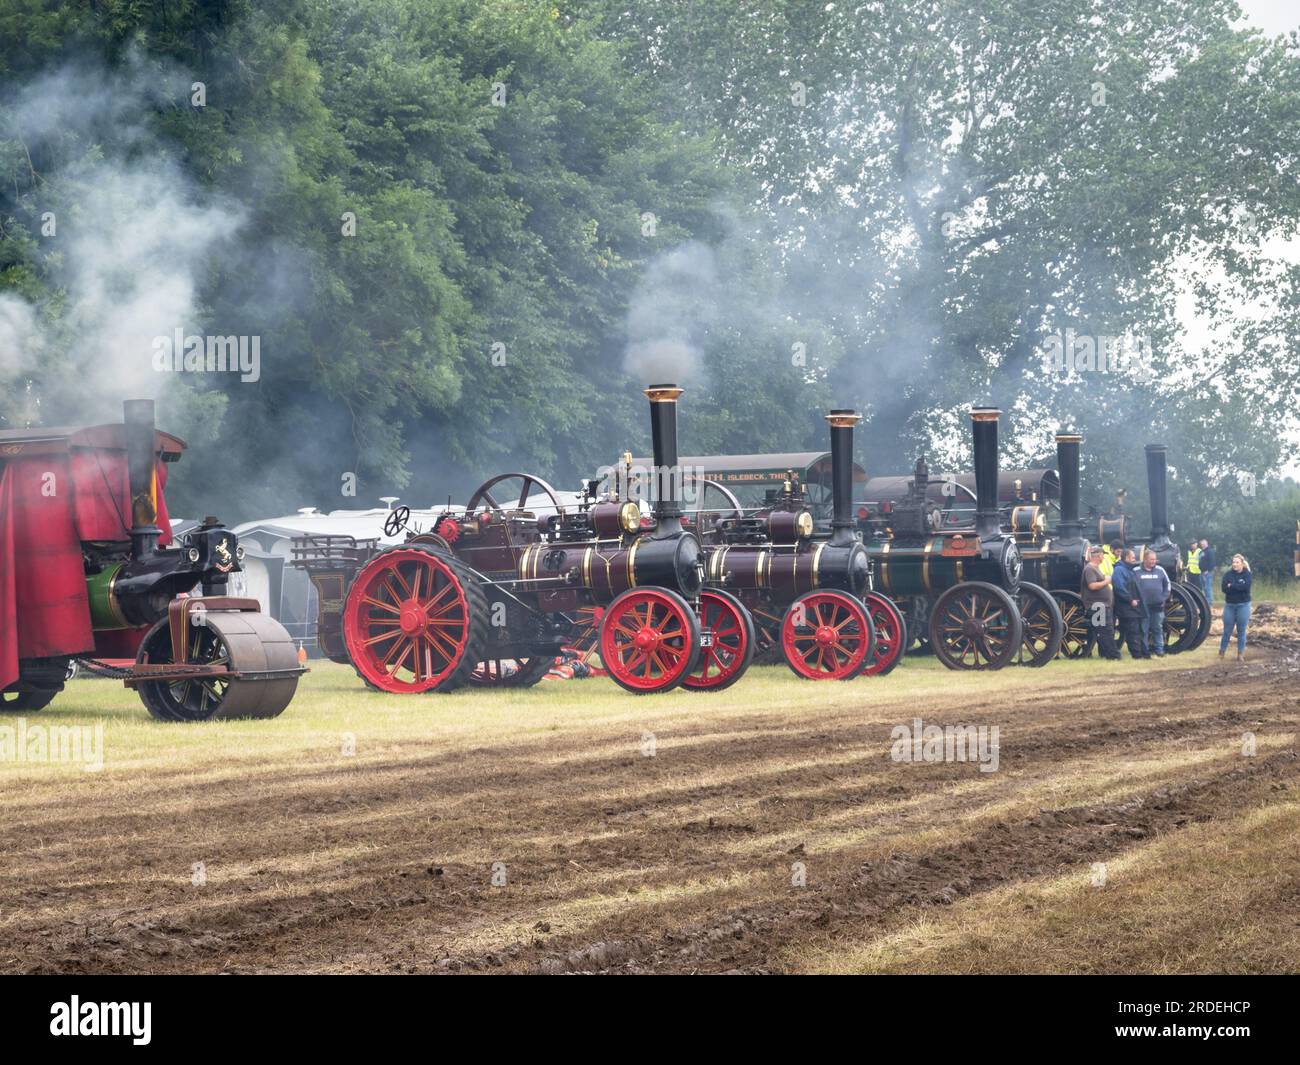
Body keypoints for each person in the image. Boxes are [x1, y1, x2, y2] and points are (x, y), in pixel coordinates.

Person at [1082, 544, 1121, 659]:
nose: (1103, 558)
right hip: (1097, 605)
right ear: (1098, 556)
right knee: (1104, 630)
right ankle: (1113, 656)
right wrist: (1107, 581)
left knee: (1104, 630)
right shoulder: (1089, 569)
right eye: (1102, 555)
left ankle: (1107, 654)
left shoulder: (1096, 568)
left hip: (1102, 604)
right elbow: (1092, 586)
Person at [1112, 547, 1147, 658]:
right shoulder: (1119, 570)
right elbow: (1119, 588)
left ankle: (1142, 653)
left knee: (1138, 631)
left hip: (1135, 607)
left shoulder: (1130, 570)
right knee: (1132, 632)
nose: (1134, 559)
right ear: (1126, 557)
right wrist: (1130, 600)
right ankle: (1137, 655)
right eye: (1132, 557)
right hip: (1126, 608)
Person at [1135, 548, 1171, 657]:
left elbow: (1167, 584)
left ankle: (1159, 650)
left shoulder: (1160, 570)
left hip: (1158, 605)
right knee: (1143, 630)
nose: (1153, 561)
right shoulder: (1136, 571)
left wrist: (1163, 597)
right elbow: (1131, 586)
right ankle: (1144, 651)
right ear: (1145, 559)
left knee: (1157, 628)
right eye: (1151, 559)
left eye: (1155, 559)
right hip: (1143, 606)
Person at [1219, 554, 1253, 662]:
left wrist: (1232, 585)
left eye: (1237, 562)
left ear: (1242, 564)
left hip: (1243, 605)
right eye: (1233, 562)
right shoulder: (1228, 574)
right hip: (1230, 605)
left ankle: (1240, 654)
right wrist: (1236, 586)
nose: (1234, 564)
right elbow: (1224, 589)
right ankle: (1221, 652)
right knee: (1227, 630)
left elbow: (1245, 587)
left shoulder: (1247, 574)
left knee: (1241, 630)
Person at [1199, 538, 1216, 605]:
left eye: (1204, 544)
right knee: (1204, 588)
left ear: (1207, 543)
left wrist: (1208, 570)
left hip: (1208, 572)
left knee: (1208, 587)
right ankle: (1206, 601)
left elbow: (1212, 562)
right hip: (1201, 572)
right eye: (1201, 544)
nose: (1203, 545)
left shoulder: (1210, 551)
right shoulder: (1201, 552)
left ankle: (1209, 602)